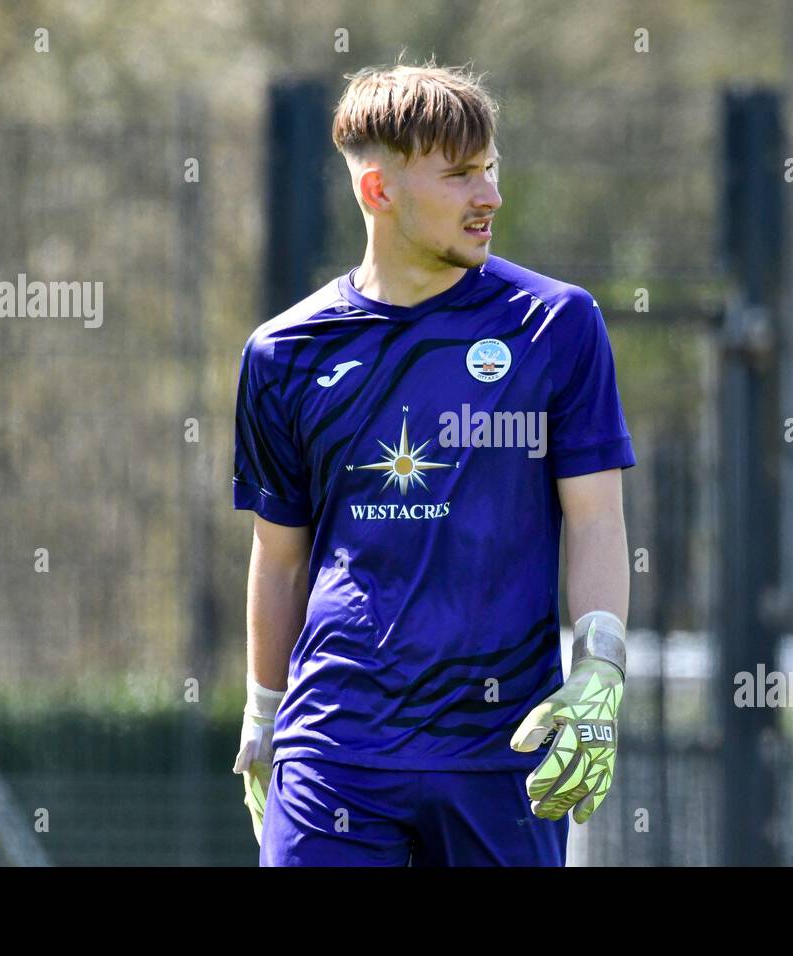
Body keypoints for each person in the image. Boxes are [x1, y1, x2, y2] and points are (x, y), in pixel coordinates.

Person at [231, 58, 636, 867]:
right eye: (459, 176)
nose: (489, 197)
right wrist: (265, 716)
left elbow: (596, 520)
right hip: (336, 748)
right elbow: (279, 559)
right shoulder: (283, 353)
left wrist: (600, 673)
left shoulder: (557, 326)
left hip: (501, 750)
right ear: (378, 192)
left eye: (490, 170)